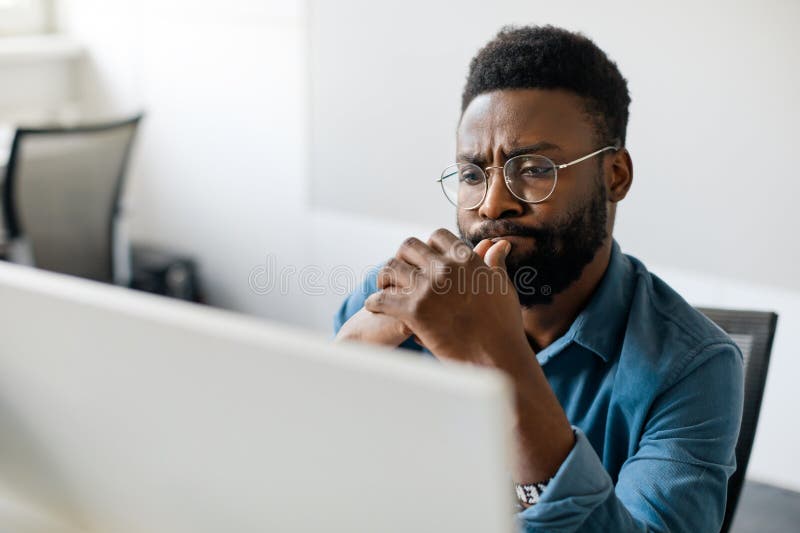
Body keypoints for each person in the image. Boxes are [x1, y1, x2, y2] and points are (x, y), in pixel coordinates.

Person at [334, 25, 743, 532]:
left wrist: (500, 358)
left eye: (533, 168)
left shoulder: (693, 369)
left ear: (614, 176)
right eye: (470, 174)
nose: (492, 203)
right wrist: (337, 371)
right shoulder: (395, 296)